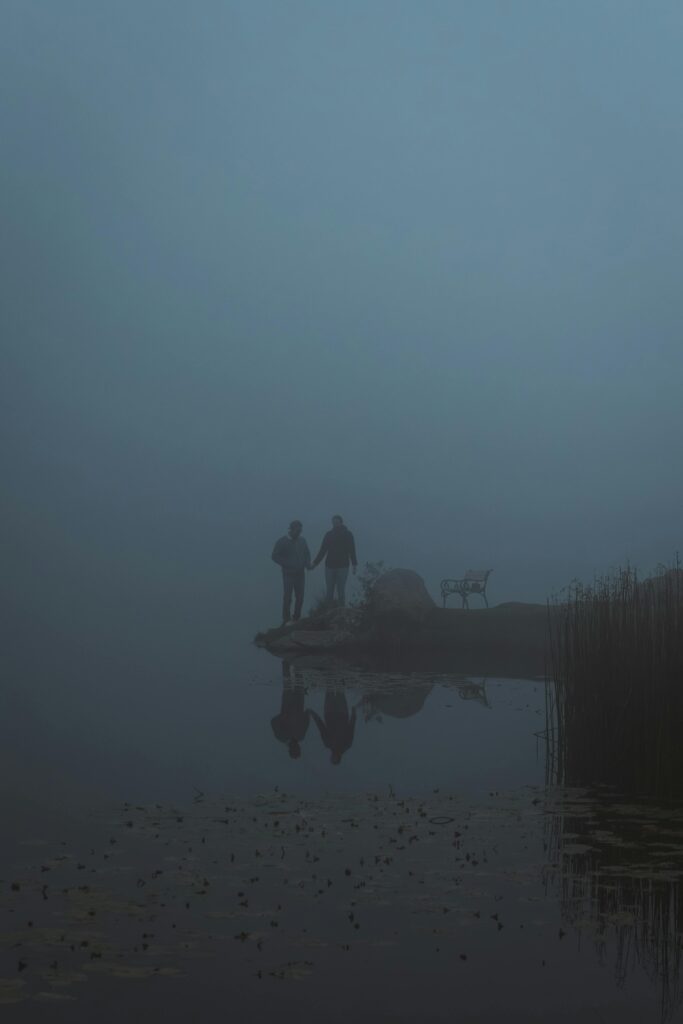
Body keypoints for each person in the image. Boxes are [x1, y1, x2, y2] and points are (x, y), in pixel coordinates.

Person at [310, 515, 357, 607]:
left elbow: (352, 549)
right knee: (329, 590)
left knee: (341, 589)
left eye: (337, 522)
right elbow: (323, 550)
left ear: (341, 522)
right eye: (333, 522)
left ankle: (341, 609)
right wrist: (315, 563)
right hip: (330, 566)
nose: (335, 524)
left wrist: (354, 564)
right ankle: (329, 610)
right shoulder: (329, 535)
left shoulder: (348, 534)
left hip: (343, 566)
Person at [271, 520, 312, 624]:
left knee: (300, 597)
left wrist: (307, 564)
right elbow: (274, 556)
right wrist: (287, 564)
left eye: (300, 531)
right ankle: (286, 619)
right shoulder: (282, 541)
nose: (299, 533)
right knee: (288, 597)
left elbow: (307, 553)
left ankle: (296, 618)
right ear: (291, 529)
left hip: (300, 573)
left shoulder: (302, 540)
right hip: (288, 573)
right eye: (297, 530)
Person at [270, 660, 310, 760]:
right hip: (299, 703)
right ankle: (297, 661)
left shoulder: (281, 737)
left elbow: (273, 722)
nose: (296, 747)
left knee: (287, 681)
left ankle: (286, 660)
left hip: (287, 704)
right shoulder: (301, 736)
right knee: (299, 680)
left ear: (290, 750)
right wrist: (307, 713)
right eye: (298, 749)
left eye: (295, 749)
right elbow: (307, 719)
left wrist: (282, 716)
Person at [310, 686, 357, 765]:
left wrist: (314, 715)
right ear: (339, 757)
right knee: (340, 690)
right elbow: (351, 728)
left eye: (332, 758)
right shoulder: (346, 744)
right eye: (335, 758)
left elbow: (321, 726)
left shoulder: (328, 743)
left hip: (329, 712)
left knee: (330, 689)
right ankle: (339, 679)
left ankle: (331, 679)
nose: (333, 756)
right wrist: (354, 715)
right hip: (342, 713)